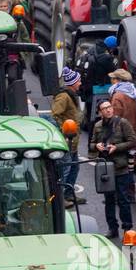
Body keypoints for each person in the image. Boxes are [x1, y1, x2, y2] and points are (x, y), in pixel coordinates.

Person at [91, 99, 136, 239]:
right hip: (105, 168)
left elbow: (132, 141)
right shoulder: (97, 126)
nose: (108, 110)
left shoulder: (122, 123)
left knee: (123, 200)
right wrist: (96, 146)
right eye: (104, 108)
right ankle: (112, 228)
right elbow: (92, 143)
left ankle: (127, 229)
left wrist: (117, 147)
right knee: (108, 201)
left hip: (120, 168)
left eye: (109, 107)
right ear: (100, 112)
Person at [51, 68, 83, 203]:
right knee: (65, 169)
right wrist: (62, 131)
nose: (80, 83)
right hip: (66, 140)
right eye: (79, 81)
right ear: (73, 83)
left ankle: (69, 194)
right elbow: (55, 114)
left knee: (74, 167)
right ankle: (60, 199)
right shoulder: (64, 97)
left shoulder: (72, 95)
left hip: (73, 141)